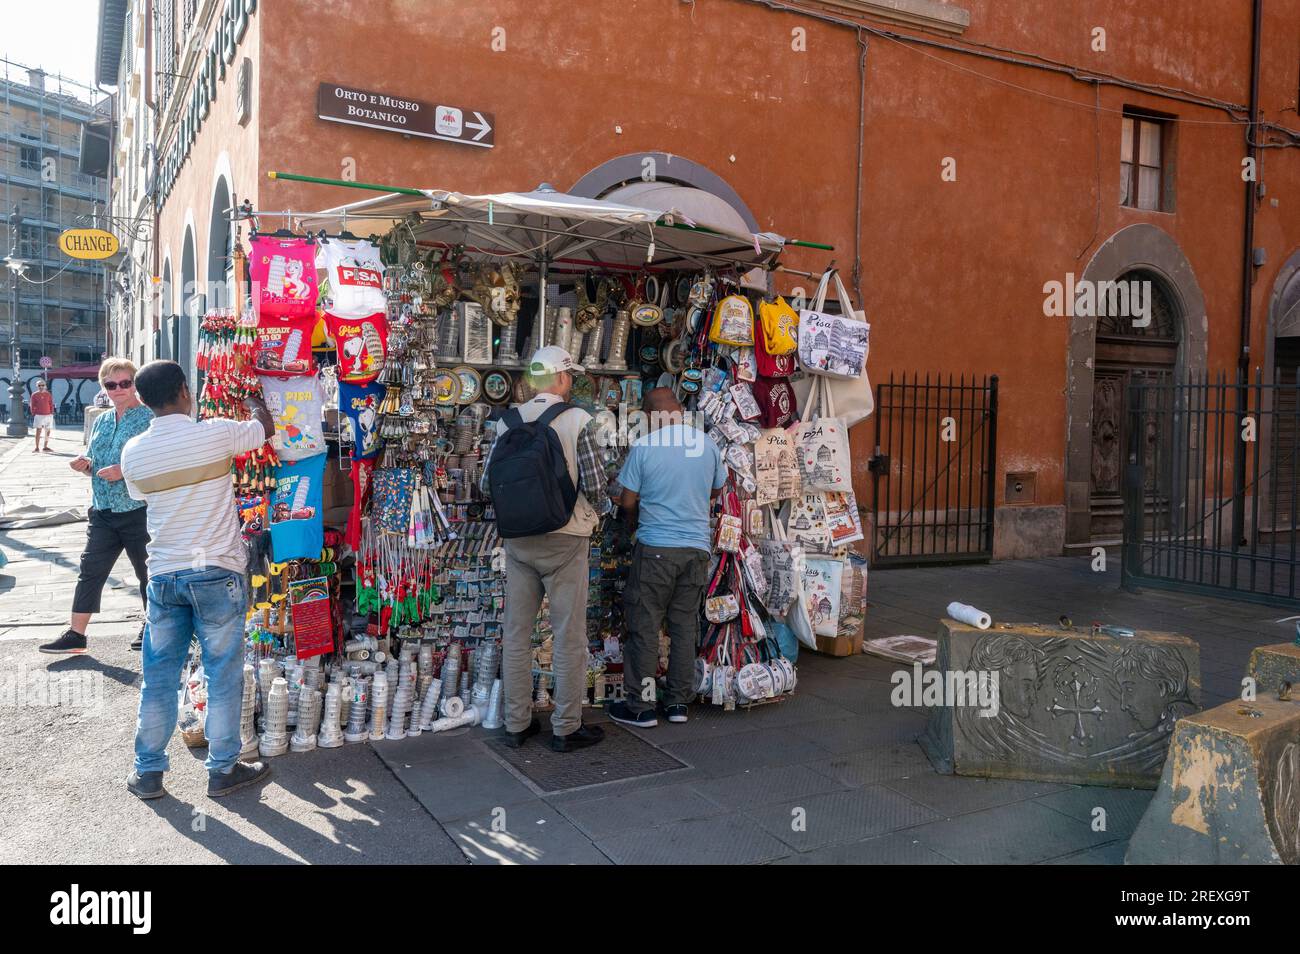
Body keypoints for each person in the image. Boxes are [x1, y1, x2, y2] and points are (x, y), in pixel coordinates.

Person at [119, 360, 275, 800]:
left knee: (159, 677)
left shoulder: (133, 452)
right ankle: (222, 771)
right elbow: (264, 427)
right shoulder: (216, 433)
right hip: (216, 573)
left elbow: (140, 495)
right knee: (223, 674)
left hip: (165, 574)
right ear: (186, 391)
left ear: (145, 401)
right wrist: (253, 399)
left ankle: (148, 773)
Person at [480, 345, 611, 752]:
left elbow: (487, 485)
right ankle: (566, 728)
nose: (571, 382)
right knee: (567, 636)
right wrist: (604, 510)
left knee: (517, 634)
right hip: (566, 539)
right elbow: (594, 483)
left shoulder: (507, 422)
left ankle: (516, 724)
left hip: (519, 541)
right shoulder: (578, 420)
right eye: (569, 375)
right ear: (559, 378)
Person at [607, 388, 726, 728]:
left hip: (657, 549)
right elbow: (717, 488)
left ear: (649, 414)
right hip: (696, 552)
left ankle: (642, 706)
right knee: (684, 626)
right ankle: (677, 704)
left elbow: (627, 502)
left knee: (644, 627)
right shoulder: (706, 444)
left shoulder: (645, 447)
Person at [40, 359, 154, 655]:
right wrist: (85, 465)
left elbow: (157, 465)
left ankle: (151, 626)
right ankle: (76, 634)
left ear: (135, 384)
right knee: (90, 570)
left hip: (137, 509)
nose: (118, 389)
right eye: (111, 384)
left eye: (125, 383)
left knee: (147, 572)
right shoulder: (102, 420)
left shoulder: (149, 419)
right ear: (103, 388)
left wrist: (124, 472)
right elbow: (95, 458)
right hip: (102, 509)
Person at [29, 378, 54, 452]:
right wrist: (33, 413)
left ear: (45, 386)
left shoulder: (48, 394)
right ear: (37, 386)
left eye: (42, 385)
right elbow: (32, 405)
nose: (41, 386)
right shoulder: (34, 394)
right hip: (39, 415)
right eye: (39, 385)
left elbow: (51, 403)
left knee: (47, 431)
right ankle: (37, 447)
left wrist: (52, 412)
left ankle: (45, 447)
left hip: (48, 415)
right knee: (38, 431)